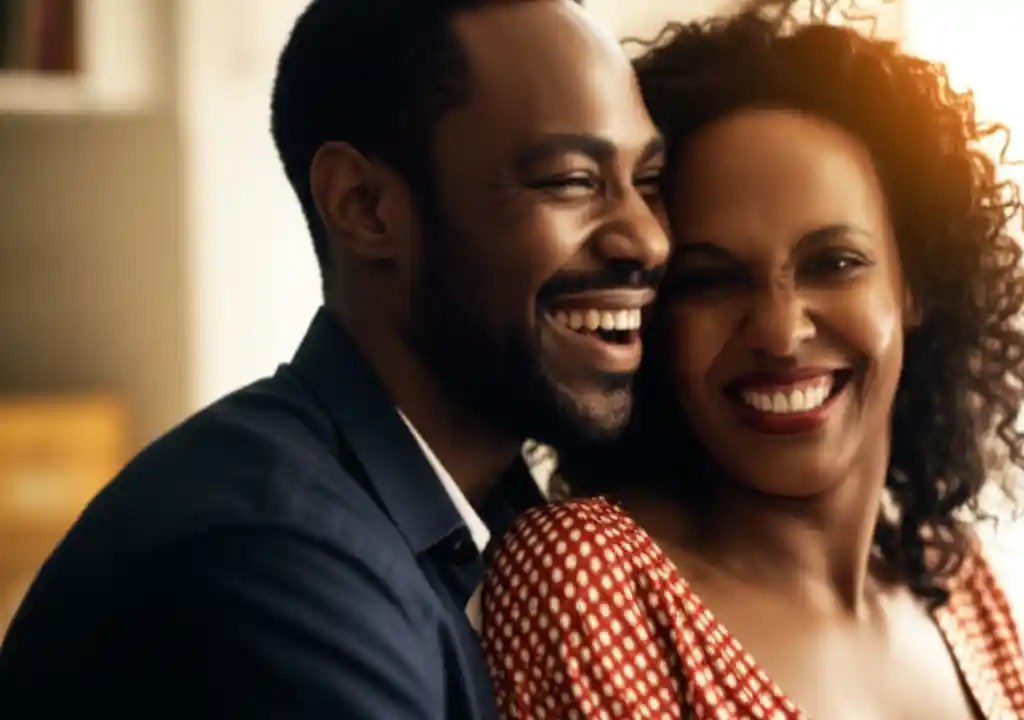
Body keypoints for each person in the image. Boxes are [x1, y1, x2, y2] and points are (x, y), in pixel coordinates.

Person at [0, 0, 666, 717]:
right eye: (570, 180)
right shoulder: (269, 561)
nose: (647, 240)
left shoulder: (503, 519)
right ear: (365, 206)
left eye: (649, 183)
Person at [481, 1, 1024, 718]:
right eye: (709, 280)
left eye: (835, 262)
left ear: (916, 285)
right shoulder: (590, 576)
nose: (780, 332)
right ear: (651, 314)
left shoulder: (955, 581)